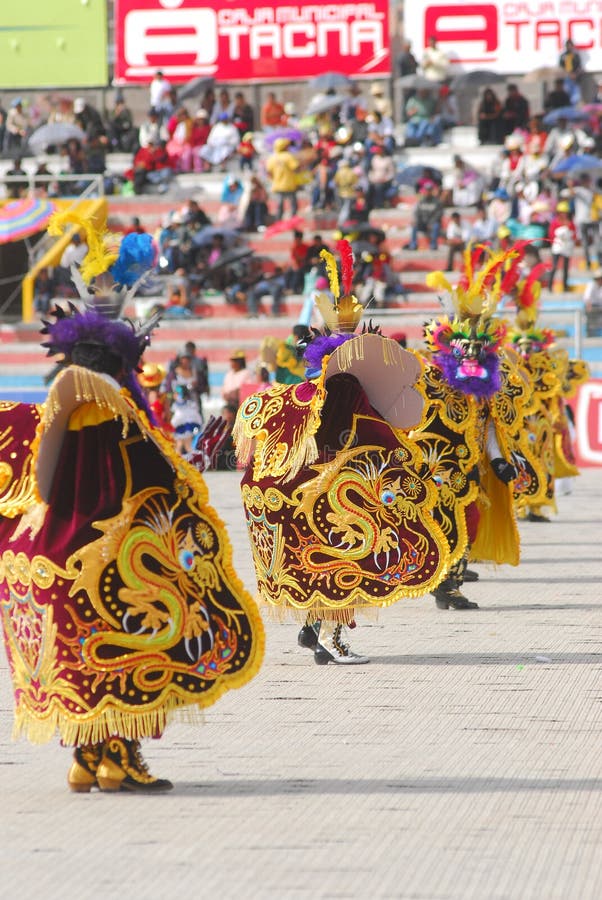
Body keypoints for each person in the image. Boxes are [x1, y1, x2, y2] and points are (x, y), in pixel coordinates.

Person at [0, 213, 264, 792]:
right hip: (119, 539)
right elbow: (161, 484)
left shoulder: (61, 416)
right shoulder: (121, 423)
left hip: (58, 539)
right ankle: (122, 756)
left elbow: (42, 475)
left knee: (81, 647)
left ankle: (86, 757)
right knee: (138, 636)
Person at [234, 241, 453, 663]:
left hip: (286, 492)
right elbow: (372, 433)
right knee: (347, 559)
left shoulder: (299, 392)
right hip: (330, 492)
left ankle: (311, 628)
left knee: (317, 561)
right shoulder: (346, 388)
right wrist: (409, 463)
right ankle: (328, 640)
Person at [266, 137, 300, 220]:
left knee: (279, 204)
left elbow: (269, 172)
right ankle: (293, 220)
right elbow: (296, 168)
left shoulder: (271, 158)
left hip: (277, 185)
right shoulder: (288, 156)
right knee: (293, 204)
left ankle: (278, 220)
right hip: (289, 184)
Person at [548, 201, 577, 292]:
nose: (563, 214)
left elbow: (574, 235)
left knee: (565, 268)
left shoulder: (571, 223)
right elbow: (551, 234)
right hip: (557, 247)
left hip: (567, 247)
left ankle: (565, 286)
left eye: (565, 212)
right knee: (554, 266)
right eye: (562, 212)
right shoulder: (554, 222)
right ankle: (550, 286)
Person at [406, 181, 443, 250]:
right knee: (414, 225)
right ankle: (413, 244)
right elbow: (417, 213)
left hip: (432, 223)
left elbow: (439, 214)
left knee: (436, 226)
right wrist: (416, 220)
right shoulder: (421, 201)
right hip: (422, 223)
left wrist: (431, 223)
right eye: (426, 190)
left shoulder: (437, 202)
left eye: (429, 190)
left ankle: (433, 244)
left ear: (432, 191)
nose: (428, 192)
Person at [559, 38, 583, 105]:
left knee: (576, 96)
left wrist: (575, 74)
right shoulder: (563, 56)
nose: (569, 47)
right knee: (566, 94)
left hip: (575, 78)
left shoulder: (576, 55)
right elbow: (560, 68)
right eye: (567, 45)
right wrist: (568, 74)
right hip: (566, 78)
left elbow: (579, 67)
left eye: (570, 45)